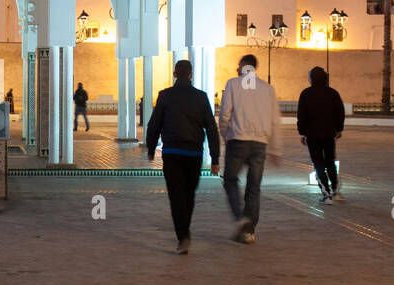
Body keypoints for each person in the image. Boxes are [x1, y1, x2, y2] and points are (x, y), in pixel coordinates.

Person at [145, 59, 220, 255]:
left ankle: (183, 236)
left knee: (176, 196)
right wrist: (215, 158)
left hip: (171, 154)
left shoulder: (165, 96)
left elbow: (154, 125)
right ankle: (185, 231)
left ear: (175, 74)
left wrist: (151, 148)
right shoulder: (201, 97)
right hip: (193, 154)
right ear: (191, 74)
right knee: (188, 195)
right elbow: (211, 129)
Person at [219, 54, 282, 244]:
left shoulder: (233, 84)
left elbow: (224, 114)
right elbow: (275, 121)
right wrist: (275, 149)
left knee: (230, 179)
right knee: (254, 188)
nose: (237, 69)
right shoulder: (268, 89)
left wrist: (225, 135)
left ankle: (241, 218)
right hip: (260, 144)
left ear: (244, 66)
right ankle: (249, 232)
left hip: (238, 140)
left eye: (238, 66)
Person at [297, 66, 346, 204]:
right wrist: (338, 129)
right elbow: (340, 112)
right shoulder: (333, 93)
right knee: (330, 161)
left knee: (318, 163)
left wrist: (302, 132)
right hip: (329, 134)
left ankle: (326, 194)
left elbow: (302, 115)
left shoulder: (306, 94)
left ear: (311, 78)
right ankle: (335, 190)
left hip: (312, 135)